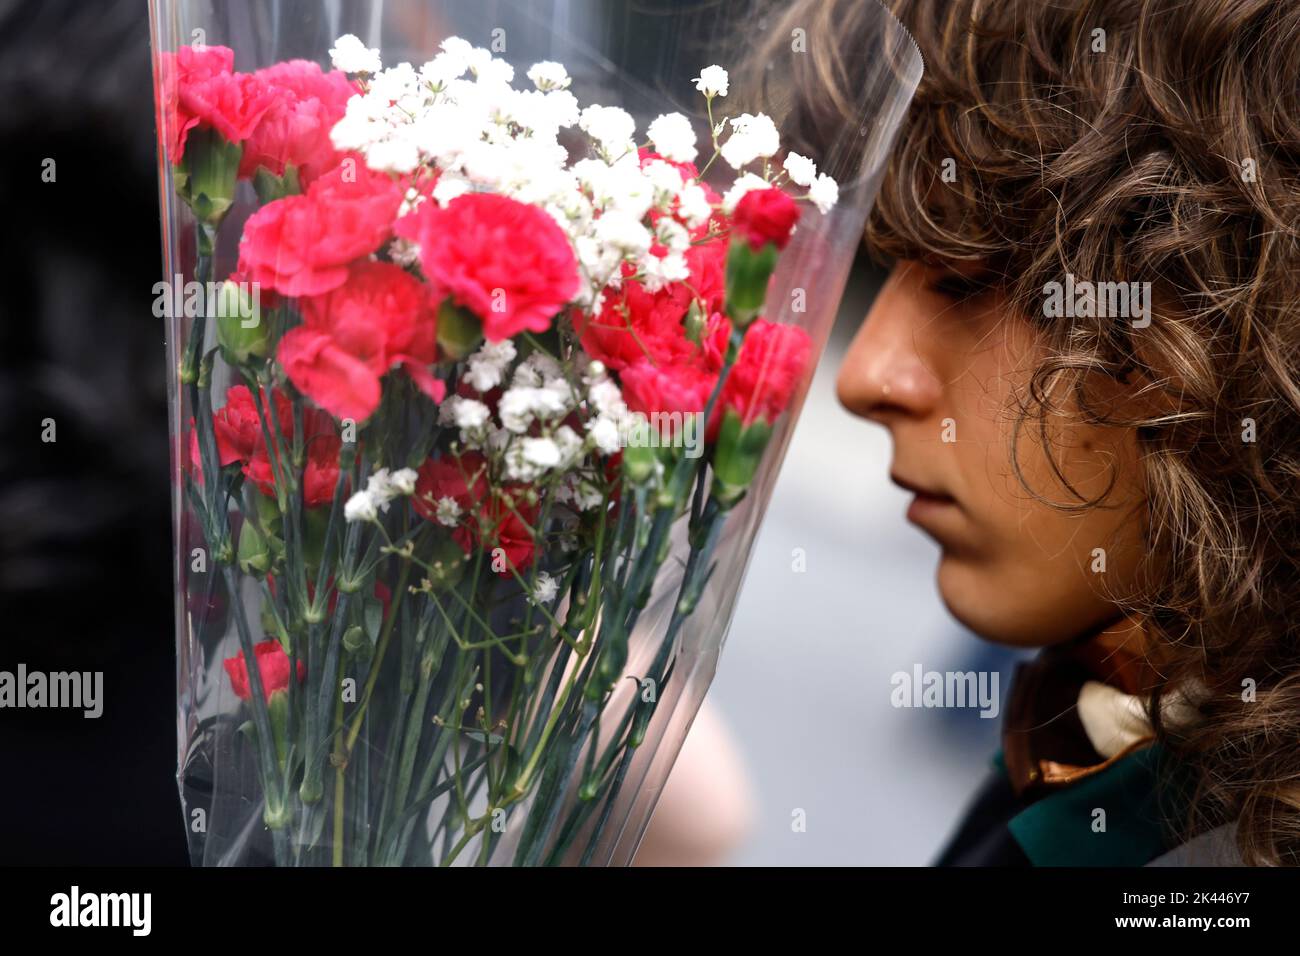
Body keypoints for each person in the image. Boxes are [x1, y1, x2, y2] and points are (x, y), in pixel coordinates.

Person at [777, 0, 1300, 864]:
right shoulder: (1116, 740)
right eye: (888, 260)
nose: (865, 375)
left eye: (970, 279)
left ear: (1240, 310)